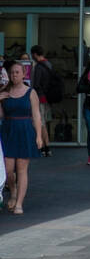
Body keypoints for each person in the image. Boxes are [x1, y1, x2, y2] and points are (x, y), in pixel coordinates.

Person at [0, 61, 43, 212]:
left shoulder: (30, 92)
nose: (14, 75)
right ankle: (13, 191)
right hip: (8, 130)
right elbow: (1, 115)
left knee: (22, 169)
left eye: (17, 72)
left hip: (25, 130)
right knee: (8, 169)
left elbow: (37, 115)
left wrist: (39, 136)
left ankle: (19, 203)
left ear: (24, 73)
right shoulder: (5, 92)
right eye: (12, 72)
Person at [30, 45, 56, 157]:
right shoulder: (49, 64)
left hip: (40, 97)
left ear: (35, 54)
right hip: (48, 97)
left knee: (40, 122)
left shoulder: (38, 67)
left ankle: (45, 147)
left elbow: (36, 84)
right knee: (44, 122)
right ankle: (46, 147)